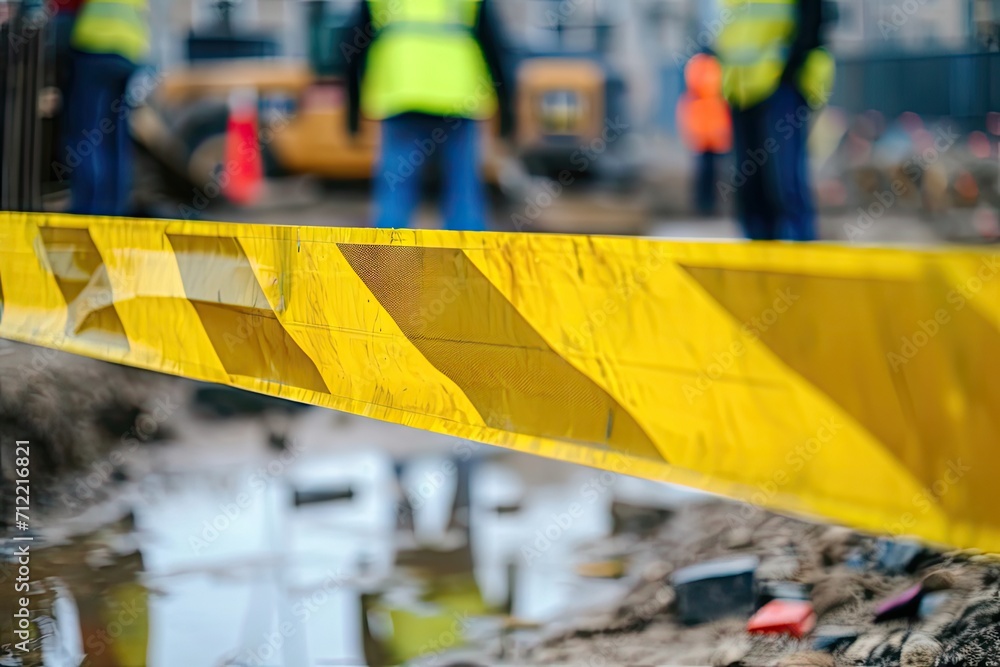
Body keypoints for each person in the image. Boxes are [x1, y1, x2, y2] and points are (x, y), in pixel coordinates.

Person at [342, 0, 512, 231]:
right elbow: (494, 44)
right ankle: (467, 262)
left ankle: (385, 263)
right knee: (463, 195)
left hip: (403, 97)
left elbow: (352, 46)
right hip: (458, 100)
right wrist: (508, 107)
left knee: (395, 195)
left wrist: (351, 110)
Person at [713, 0, 835, 240]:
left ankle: (800, 257)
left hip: (780, 87)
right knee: (750, 185)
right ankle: (759, 260)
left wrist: (791, 67)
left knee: (785, 183)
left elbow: (817, 16)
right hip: (740, 88)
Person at [66, 0, 150, 216]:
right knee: (115, 136)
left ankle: (88, 210)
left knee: (88, 134)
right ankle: (115, 209)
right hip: (129, 48)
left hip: (95, 45)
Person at [676, 53, 731, 216]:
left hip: (712, 136)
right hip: (704, 136)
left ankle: (709, 205)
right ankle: (704, 205)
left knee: (711, 172)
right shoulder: (707, 68)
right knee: (705, 172)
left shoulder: (699, 67)